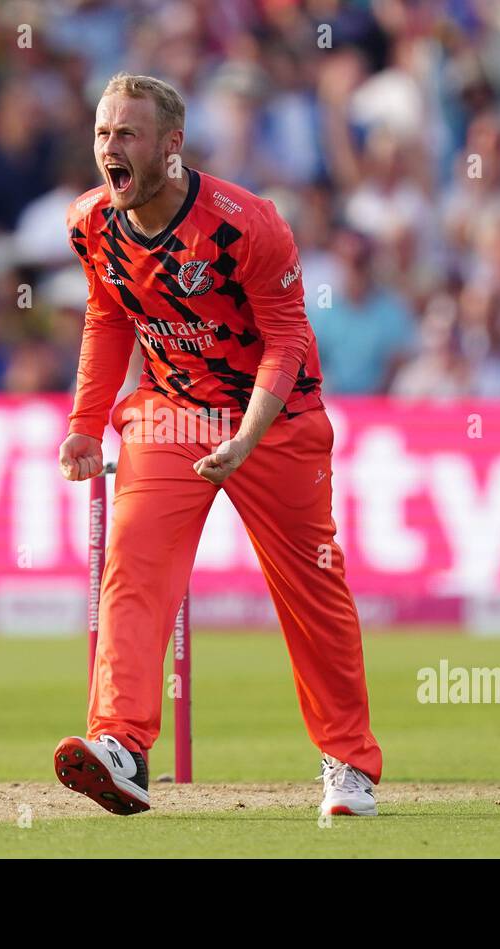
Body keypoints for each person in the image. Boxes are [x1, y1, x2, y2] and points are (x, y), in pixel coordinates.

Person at [54, 74, 382, 817]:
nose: (110, 148)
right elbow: (109, 317)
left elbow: (289, 337)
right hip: (170, 411)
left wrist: (248, 435)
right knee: (133, 559)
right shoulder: (89, 221)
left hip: (276, 419)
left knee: (311, 591)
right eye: (103, 133)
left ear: (172, 146)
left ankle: (348, 762)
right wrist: (84, 422)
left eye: (127, 135)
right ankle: (122, 747)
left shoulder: (245, 223)